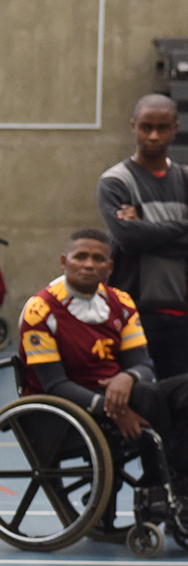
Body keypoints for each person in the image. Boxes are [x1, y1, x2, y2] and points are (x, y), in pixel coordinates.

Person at [19, 229, 188, 487]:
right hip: (69, 408)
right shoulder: (40, 310)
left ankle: (179, 480)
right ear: (64, 261)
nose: (89, 265)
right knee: (147, 395)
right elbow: (54, 384)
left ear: (109, 267)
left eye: (98, 259)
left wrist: (126, 377)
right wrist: (111, 409)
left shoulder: (122, 302)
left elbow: (142, 365)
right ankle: (158, 487)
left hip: (125, 395)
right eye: (81, 257)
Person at [98, 94, 188, 379]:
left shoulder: (185, 180)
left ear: (175, 128)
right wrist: (181, 226)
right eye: (146, 126)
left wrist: (145, 223)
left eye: (162, 127)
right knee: (141, 397)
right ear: (133, 126)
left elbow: (141, 236)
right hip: (133, 313)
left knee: (180, 403)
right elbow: (128, 238)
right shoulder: (115, 182)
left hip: (182, 314)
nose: (153, 135)